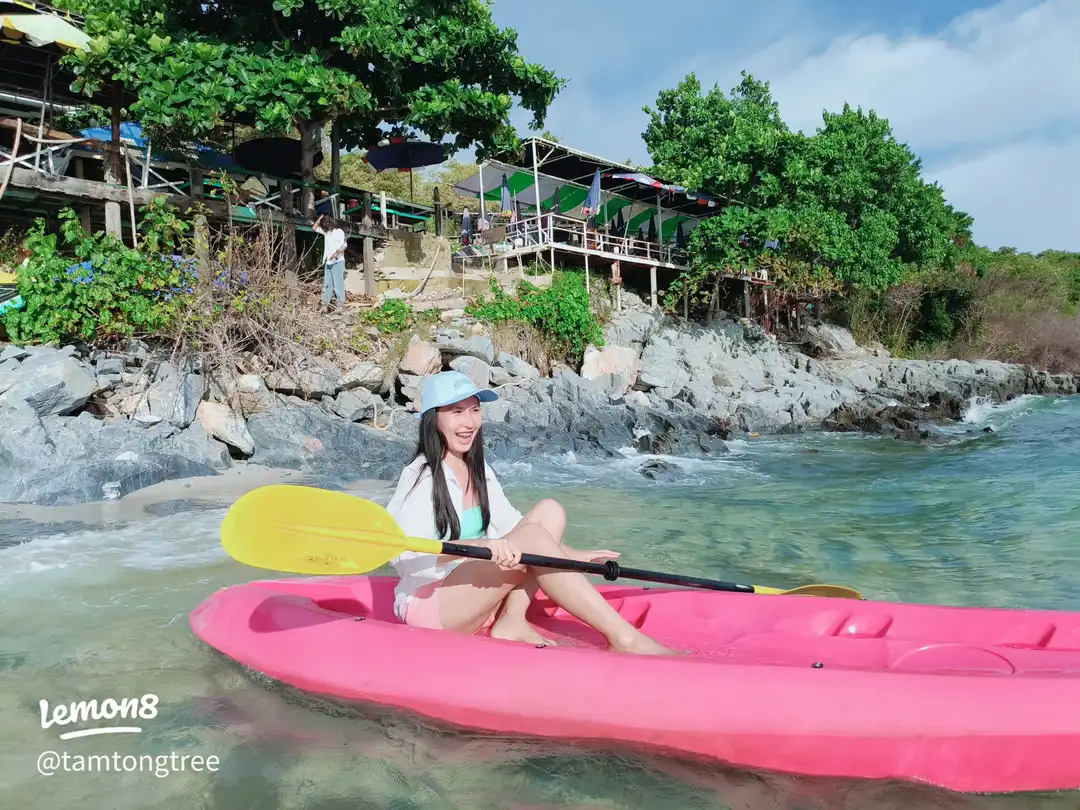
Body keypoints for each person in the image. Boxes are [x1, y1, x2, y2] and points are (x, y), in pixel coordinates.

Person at [387, 370, 671, 655]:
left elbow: (516, 525)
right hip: (433, 606)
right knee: (533, 537)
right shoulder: (420, 477)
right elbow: (407, 556)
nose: (469, 422)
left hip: (472, 589)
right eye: (456, 412)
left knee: (550, 512)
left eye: (475, 410)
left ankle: (512, 619)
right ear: (433, 419)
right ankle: (624, 638)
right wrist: (479, 546)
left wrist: (568, 554)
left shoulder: (478, 470)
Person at [312, 214, 346, 312]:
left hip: (337, 261)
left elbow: (344, 246)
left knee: (338, 283)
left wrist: (337, 254)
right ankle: (324, 305)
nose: (323, 226)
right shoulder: (327, 232)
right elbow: (314, 228)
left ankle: (340, 306)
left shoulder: (339, 231)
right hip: (328, 261)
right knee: (327, 284)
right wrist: (320, 218)